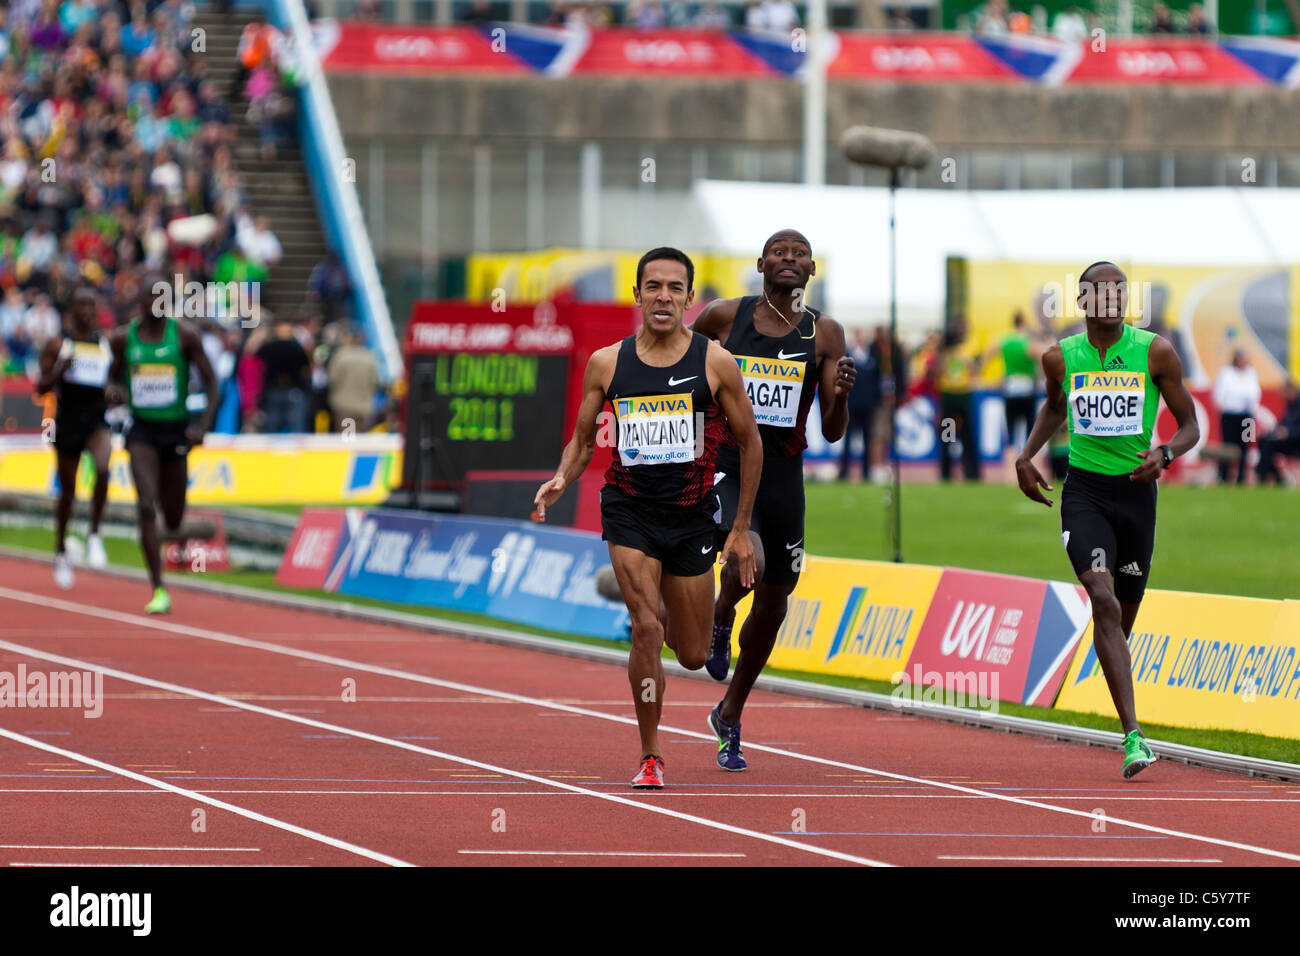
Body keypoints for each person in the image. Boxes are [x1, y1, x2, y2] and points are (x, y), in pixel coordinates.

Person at [533, 247, 761, 790]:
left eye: (674, 288)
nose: (663, 297)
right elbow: (584, 440)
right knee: (646, 627)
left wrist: (740, 528)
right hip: (629, 510)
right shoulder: (607, 363)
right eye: (652, 286)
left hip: (691, 518)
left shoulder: (714, 362)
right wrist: (563, 476)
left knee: (688, 653)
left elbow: (751, 445)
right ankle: (651, 754)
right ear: (636, 295)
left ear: (689, 297)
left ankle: (668, 602)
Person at [1014, 261, 1199, 779]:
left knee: (1120, 616)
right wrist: (1027, 455)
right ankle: (1134, 737)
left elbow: (1191, 425)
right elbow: (1055, 407)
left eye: (1119, 290)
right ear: (1084, 301)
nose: (1111, 297)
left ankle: (1110, 657)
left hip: (1139, 498)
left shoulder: (1154, 351)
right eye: (1101, 290)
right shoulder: (1061, 358)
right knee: (1102, 596)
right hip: (1086, 494)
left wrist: (1164, 454)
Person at [691, 229, 855, 771]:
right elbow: (682, 368)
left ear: (812, 270)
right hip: (730, 463)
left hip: (784, 474)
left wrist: (842, 396)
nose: (789, 259)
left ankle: (730, 714)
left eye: (799, 254)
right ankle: (720, 614)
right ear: (761, 264)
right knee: (748, 558)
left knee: (776, 599)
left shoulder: (824, 333)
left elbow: (832, 431)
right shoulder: (722, 317)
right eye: (779, 252)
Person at [108, 272, 219, 614]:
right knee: (145, 505)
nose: (155, 304)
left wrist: (203, 426)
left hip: (176, 433)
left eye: (162, 298)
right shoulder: (123, 339)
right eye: (149, 297)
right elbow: (111, 377)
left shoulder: (185, 336)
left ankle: (166, 537)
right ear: (139, 302)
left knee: (172, 518)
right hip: (141, 431)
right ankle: (158, 588)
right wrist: (114, 391)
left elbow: (213, 383)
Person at [34, 287, 112, 589]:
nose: (88, 309)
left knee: (104, 467)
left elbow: (113, 382)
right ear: (72, 309)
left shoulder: (103, 344)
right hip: (67, 422)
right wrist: (59, 370)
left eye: (92, 304)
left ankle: (94, 533)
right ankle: (61, 550)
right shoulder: (59, 343)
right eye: (82, 303)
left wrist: (115, 393)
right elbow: (40, 387)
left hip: (96, 420)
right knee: (68, 492)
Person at [983, 311, 1043, 459]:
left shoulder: (1004, 340)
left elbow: (988, 354)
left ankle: (1008, 471)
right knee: (1030, 432)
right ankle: (1030, 466)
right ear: (1024, 324)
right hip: (1028, 389)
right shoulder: (1029, 342)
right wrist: (1041, 375)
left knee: (1010, 432)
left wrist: (984, 374)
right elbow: (1042, 356)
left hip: (1010, 388)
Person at [937, 322, 981, 482]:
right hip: (957, 396)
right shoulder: (960, 353)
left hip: (953, 396)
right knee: (962, 436)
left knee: (951, 436)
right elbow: (974, 368)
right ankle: (970, 473)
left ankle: (947, 473)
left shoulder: (950, 354)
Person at [1211, 349, 1259, 485]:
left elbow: (1255, 394)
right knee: (1228, 446)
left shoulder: (1251, 373)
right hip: (1230, 415)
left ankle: (1242, 478)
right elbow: (1219, 394)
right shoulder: (1226, 373)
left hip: (1246, 416)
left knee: (1245, 445)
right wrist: (1221, 408)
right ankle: (1224, 476)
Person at [839, 327, 877, 481]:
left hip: (867, 405)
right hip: (852, 404)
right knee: (848, 439)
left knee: (868, 439)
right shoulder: (848, 355)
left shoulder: (874, 356)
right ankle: (844, 471)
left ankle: (866, 472)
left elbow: (877, 380)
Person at [1256, 379, 1300, 486]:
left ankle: (1262, 477)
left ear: (1291, 391)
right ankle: (1274, 476)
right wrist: (1273, 432)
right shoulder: (1290, 406)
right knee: (1263, 441)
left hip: (1296, 442)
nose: (1282, 396)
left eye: (1284, 392)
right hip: (1289, 440)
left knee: (1269, 445)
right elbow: (1282, 424)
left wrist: (1288, 432)